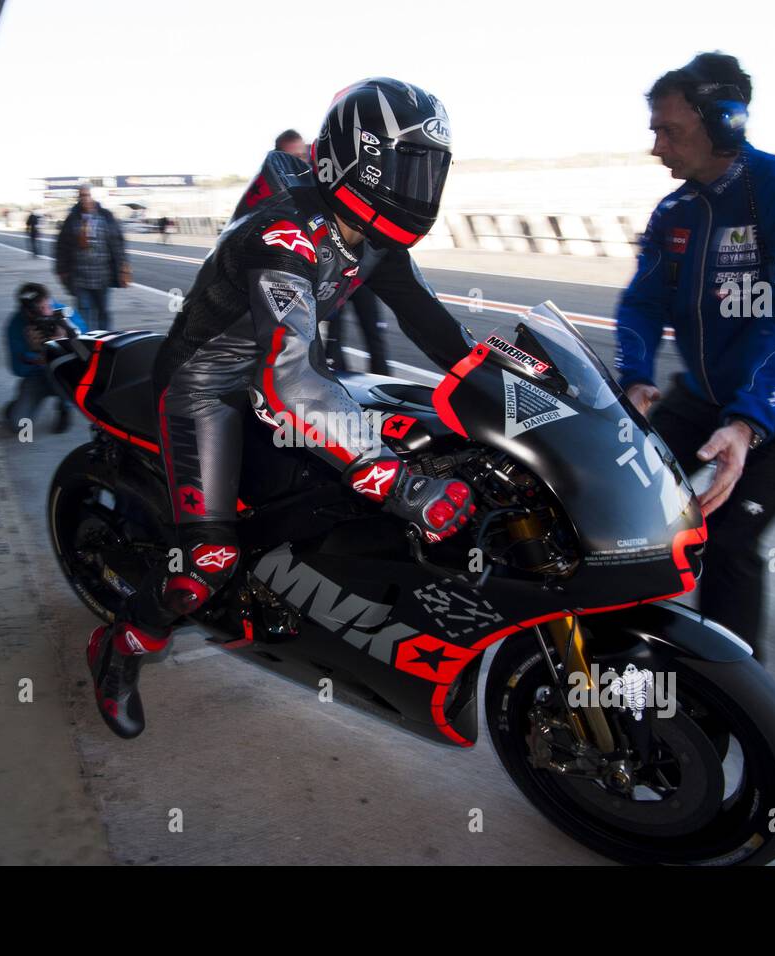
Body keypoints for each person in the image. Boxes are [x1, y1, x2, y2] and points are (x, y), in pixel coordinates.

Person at [87, 78, 477, 738]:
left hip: (286, 369)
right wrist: (404, 485)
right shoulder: (285, 236)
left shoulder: (375, 236)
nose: (423, 182)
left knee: (385, 455)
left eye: (431, 167)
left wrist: (507, 375)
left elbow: (431, 325)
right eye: (411, 164)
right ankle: (121, 648)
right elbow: (287, 387)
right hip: (206, 389)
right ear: (362, 159)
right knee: (207, 560)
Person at [615, 53, 775, 660]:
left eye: (670, 131)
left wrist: (748, 422)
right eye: (655, 131)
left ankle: (735, 700)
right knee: (627, 494)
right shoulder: (676, 211)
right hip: (704, 388)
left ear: (725, 124)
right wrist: (637, 378)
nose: (657, 146)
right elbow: (642, 302)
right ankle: (628, 650)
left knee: (728, 537)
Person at [4, 282, 85, 434]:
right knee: (19, 426)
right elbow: (17, 369)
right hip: (37, 378)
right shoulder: (16, 325)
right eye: (39, 310)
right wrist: (33, 353)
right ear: (26, 312)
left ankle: (65, 406)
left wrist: (67, 340)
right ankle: (17, 406)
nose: (46, 313)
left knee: (87, 398)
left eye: (47, 306)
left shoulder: (65, 314)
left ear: (49, 300)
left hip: (64, 375)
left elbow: (86, 351)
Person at [55, 186, 130, 330]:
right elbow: (62, 247)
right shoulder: (72, 219)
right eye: (82, 195)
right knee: (83, 317)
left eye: (87, 195)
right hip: (80, 279)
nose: (85, 198)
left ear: (93, 197)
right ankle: (87, 347)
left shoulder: (106, 217)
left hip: (102, 278)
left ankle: (104, 346)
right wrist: (61, 270)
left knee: (103, 314)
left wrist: (123, 266)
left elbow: (118, 243)